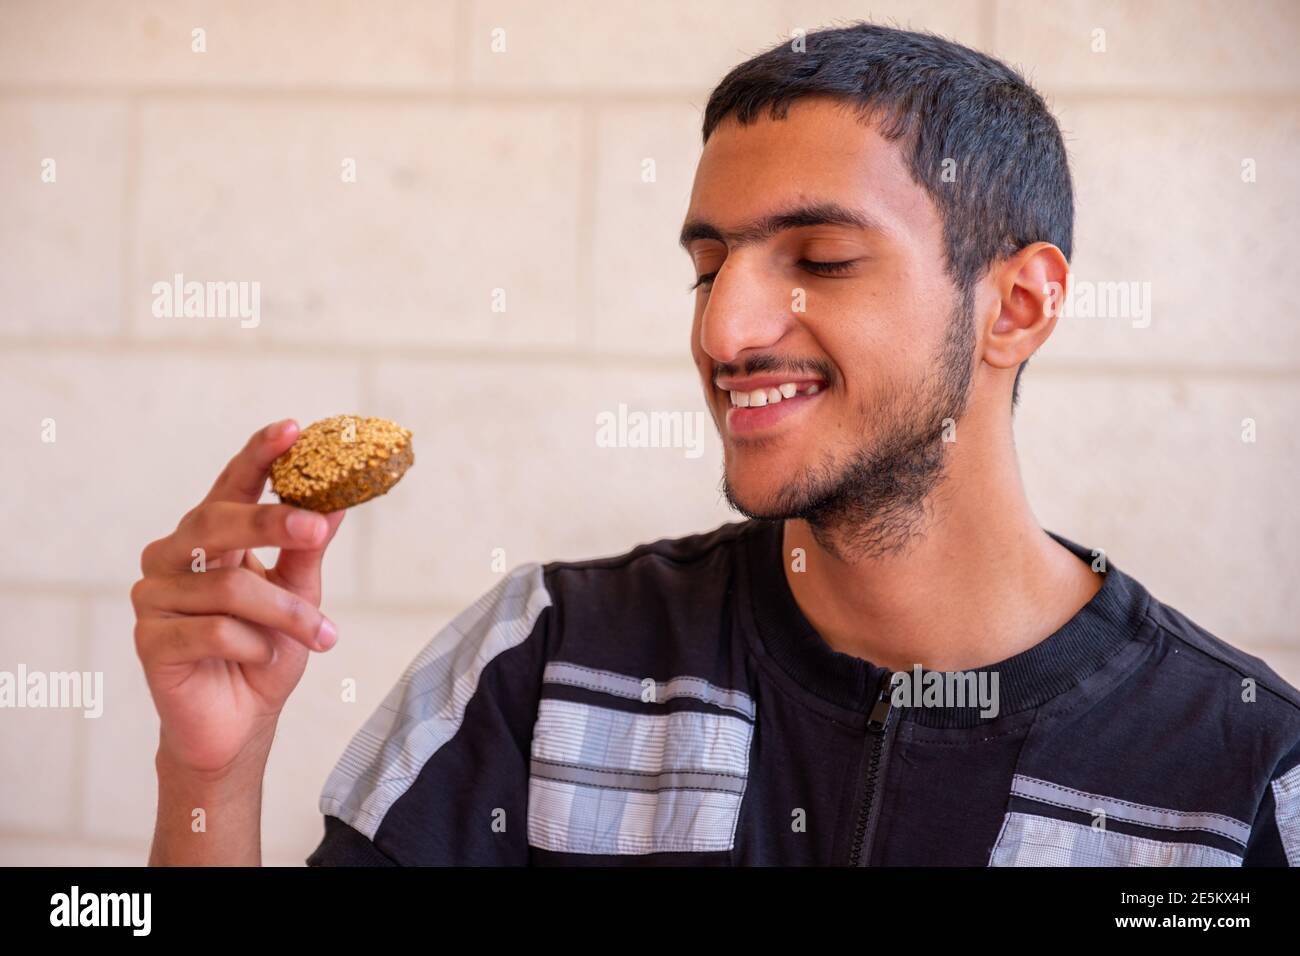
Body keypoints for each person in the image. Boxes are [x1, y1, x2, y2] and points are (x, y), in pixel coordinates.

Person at [133, 22, 1300, 867]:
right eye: (707, 267)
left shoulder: (1244, 778)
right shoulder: (543, 660)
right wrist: (212, 771)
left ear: (1019, 305)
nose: (723, 329)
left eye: (821, 259)